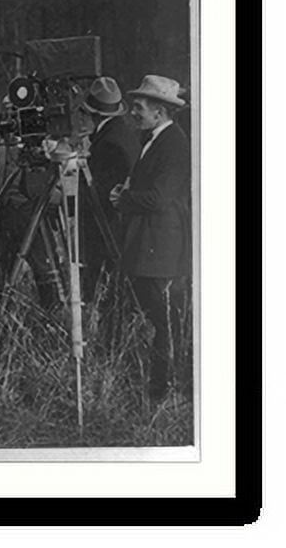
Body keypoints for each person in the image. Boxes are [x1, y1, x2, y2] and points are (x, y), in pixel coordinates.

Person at [110, 74, 191, 401]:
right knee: (158, 320)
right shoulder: (155, 138)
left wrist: (124, 199)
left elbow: (159, 197)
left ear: (160, 111)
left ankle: (162, 391)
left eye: (139, 107)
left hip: (162, 249)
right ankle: (157, 386)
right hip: (150, 244)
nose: (133, 112)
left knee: (163, 322)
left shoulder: (173, 143)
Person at [80, 76, 141, 295]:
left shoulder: (109, 143)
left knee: (102, 278)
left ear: (92, 114)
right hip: (117, 222)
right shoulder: (120, 132)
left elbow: (99, 191)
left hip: (105, 223)